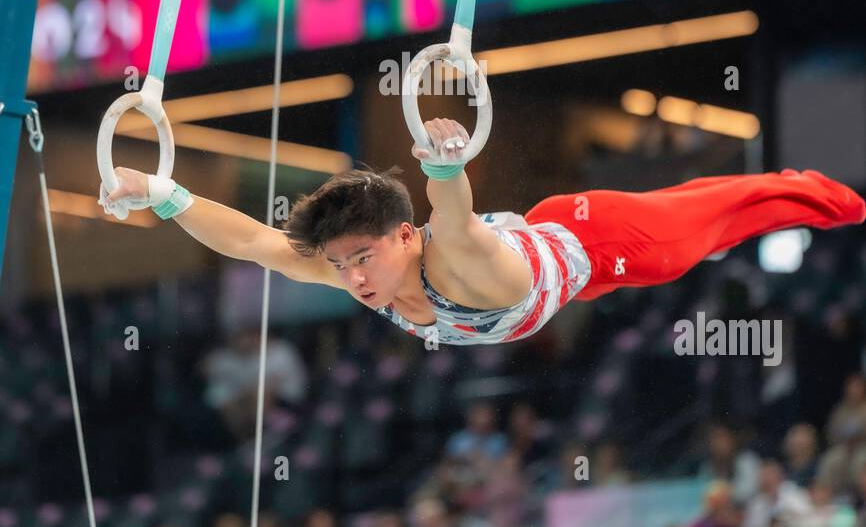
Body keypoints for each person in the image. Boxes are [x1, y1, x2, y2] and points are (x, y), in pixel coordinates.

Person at [102, 124, 865, 348]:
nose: (355, 278)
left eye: (363, 256)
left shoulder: (454, 261)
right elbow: (252, 243)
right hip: (562, 267)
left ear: (406, 237)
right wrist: (161, 193)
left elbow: (456, 218)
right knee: (709, 212)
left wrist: (446, 162)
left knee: (738, 210)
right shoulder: (355, 272)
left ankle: (822, 191)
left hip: (603, 239)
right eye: (342, 264)